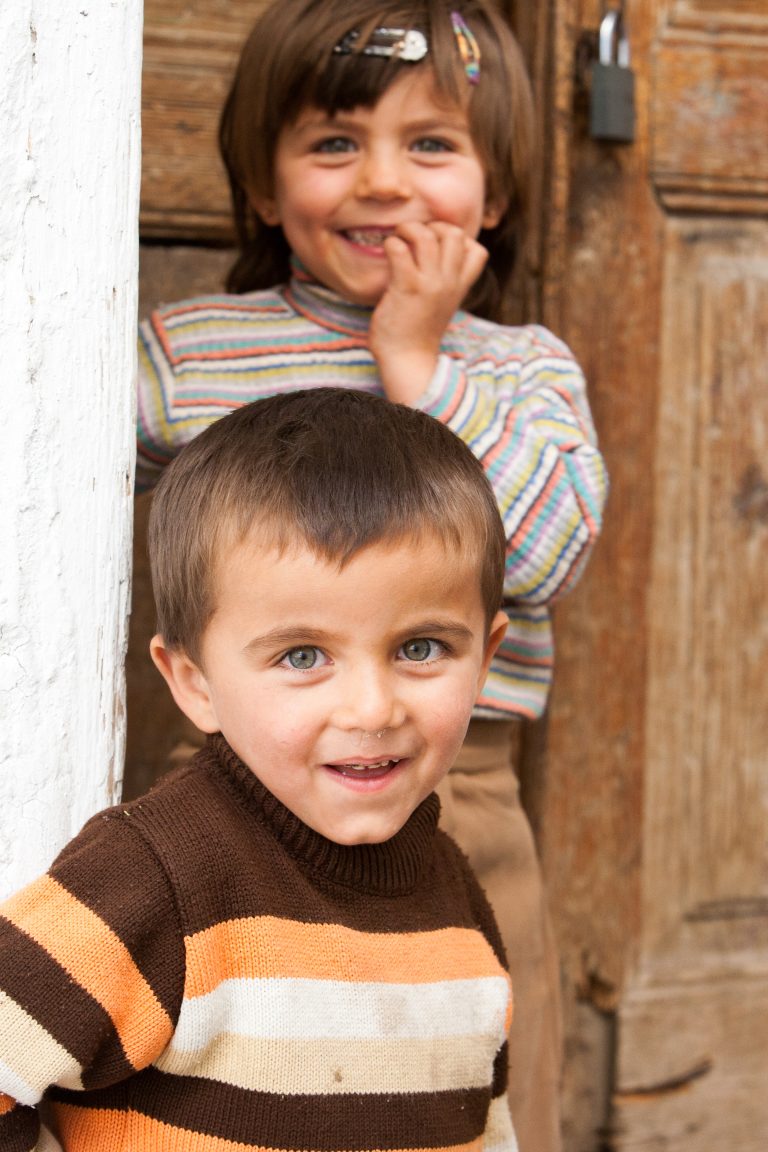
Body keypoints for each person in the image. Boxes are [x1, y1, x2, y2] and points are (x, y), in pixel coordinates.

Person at [136, 3, 609, 1148]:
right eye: (335, 143)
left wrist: (419, 361)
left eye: (432, 146)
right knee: (229, 1075)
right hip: (227, 789)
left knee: (474, 1089)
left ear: (492, 197)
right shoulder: (189, 354)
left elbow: (543, 556)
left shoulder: (522, 369)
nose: (382, 183)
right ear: (262, 183)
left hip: (463, 797)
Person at [0, 389, 516, 1152]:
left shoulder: (456, 899)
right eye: (302, 656)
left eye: (421, 648)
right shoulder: (153, 878)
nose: (372, 708)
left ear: (487, 659)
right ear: (195, 682)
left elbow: (484, 1127)